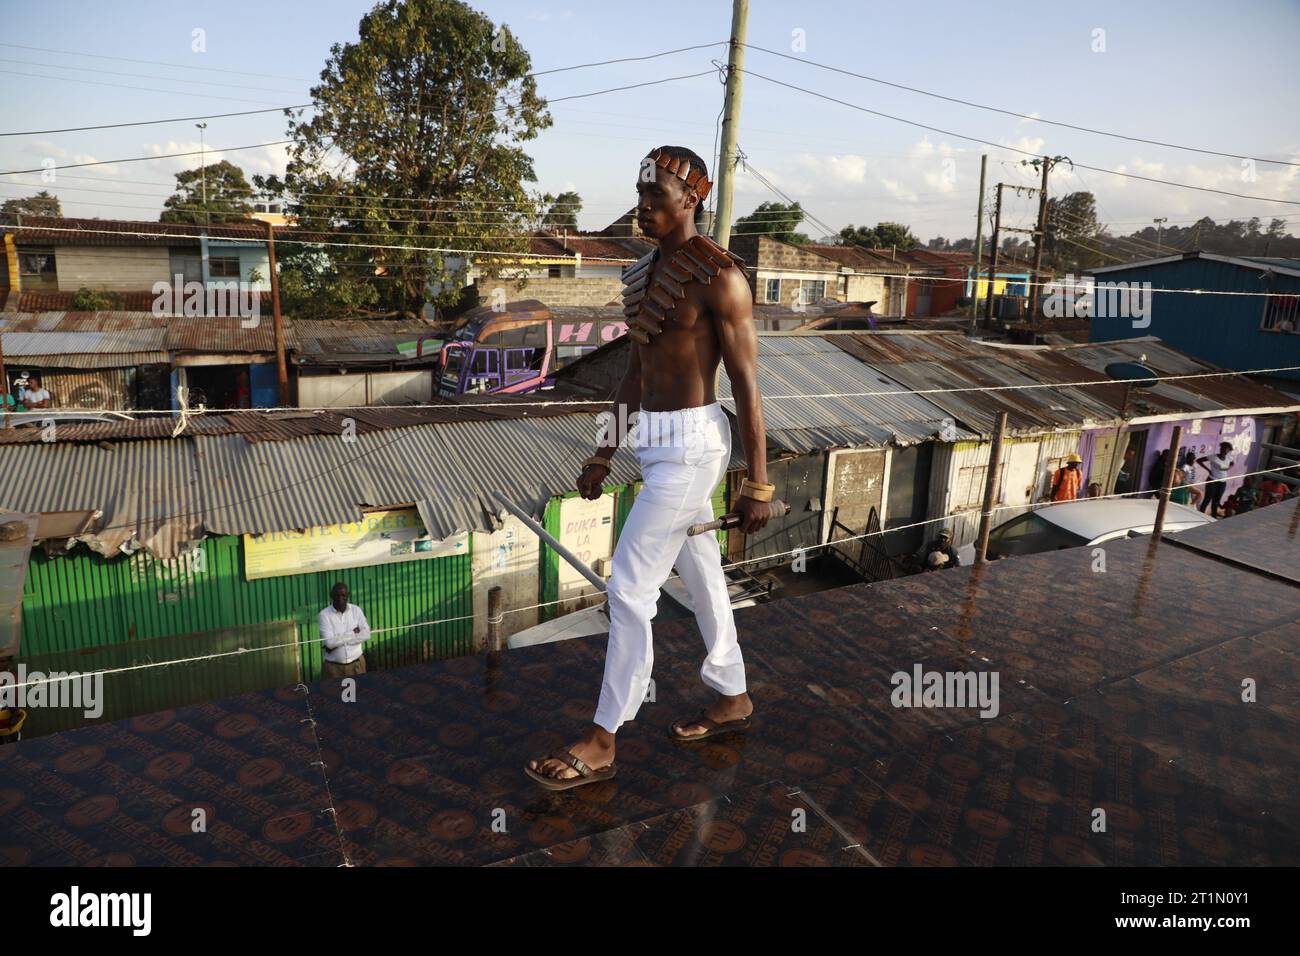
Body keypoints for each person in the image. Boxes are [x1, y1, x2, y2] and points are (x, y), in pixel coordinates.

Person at [526, 145, 772, 790]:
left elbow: (747, 385)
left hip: (693, 445)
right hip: (654, 442)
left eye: (656, 197)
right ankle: (732, 696)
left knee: (629, 585)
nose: (643, 208)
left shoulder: (722, 278)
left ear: (692, 199)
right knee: (703, 575)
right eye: (641, 196)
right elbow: (635, 373)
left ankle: (605, 735)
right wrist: (605, 449)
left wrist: (760, 482)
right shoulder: (647, 275)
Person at [317, 581, 371, 680]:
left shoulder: (356, 610)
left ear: (348, 595)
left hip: (357, 664)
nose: (340, 598)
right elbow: (329, 643)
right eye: (337, 595)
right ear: (331, 596)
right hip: (334, 668)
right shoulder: (324, 615)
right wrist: (353, 633)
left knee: (360, 694)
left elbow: (367, 634)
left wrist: (340, 640)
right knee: (333, 695)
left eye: (343, 595)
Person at [1197, 442, 1235, 517]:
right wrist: (1208, 470)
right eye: (1222, 447)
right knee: (1207, 499)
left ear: (1228, 451)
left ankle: (1213, 516)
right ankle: (1200, 516)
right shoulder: (1213, 457)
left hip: (1222, 482)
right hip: (1212, 480)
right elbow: (1199, 460)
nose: (1223, 449)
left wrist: (1229, 467)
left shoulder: (1229, 458)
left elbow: (1232, 463)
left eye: (1226, 448)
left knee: (1216, 501)